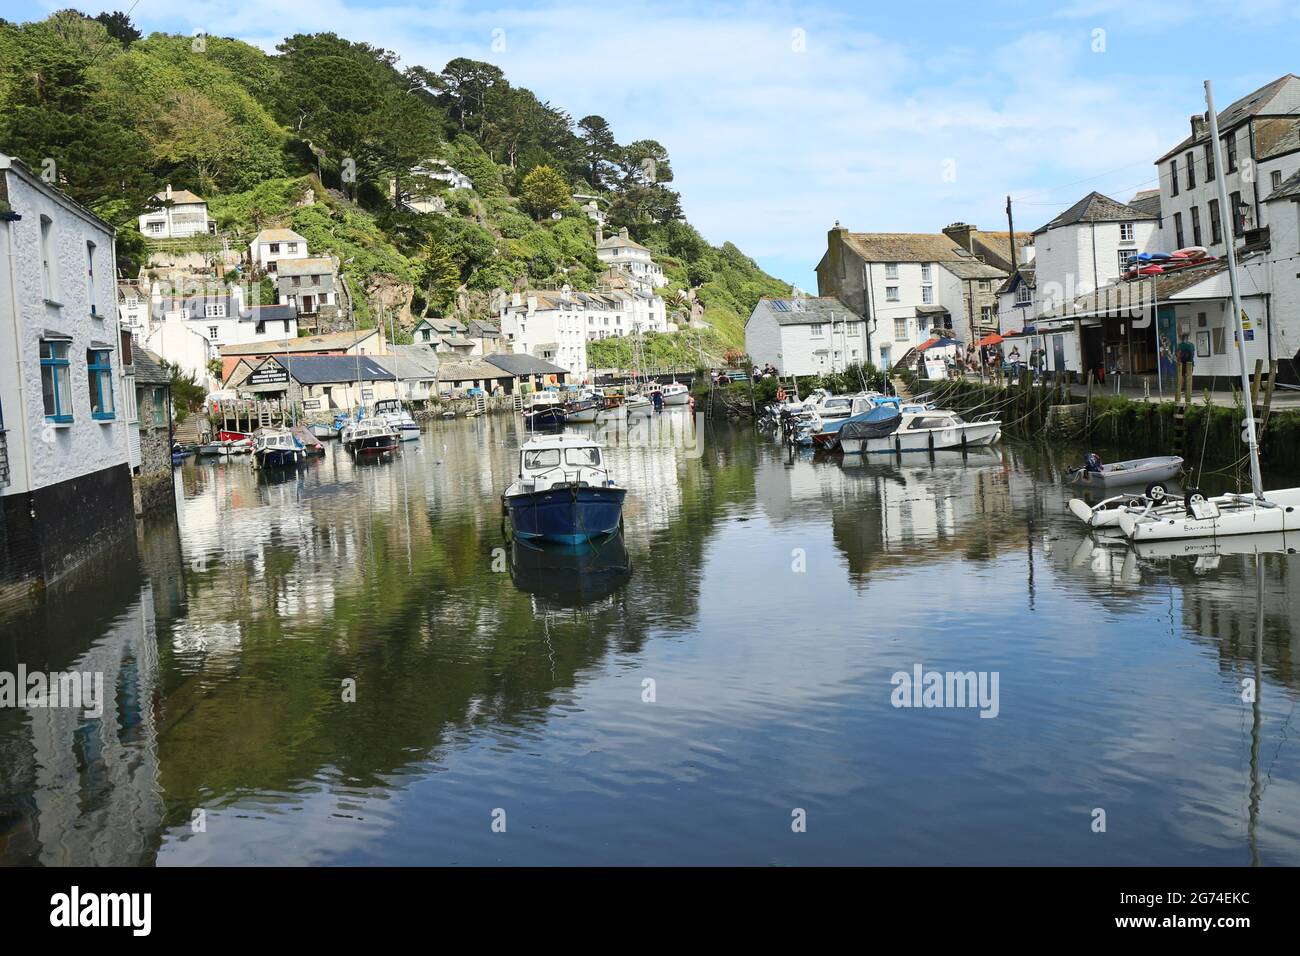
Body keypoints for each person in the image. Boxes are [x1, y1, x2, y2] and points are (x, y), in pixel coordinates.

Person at [1176, 332, 1196, 405]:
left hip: (1182, 363)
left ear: (1182, 338)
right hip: (1190, 363)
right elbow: (1193, 354)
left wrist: (1178, 361)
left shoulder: (1180, 345)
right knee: (1189, 376)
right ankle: (1189, 390)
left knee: (1182, 376)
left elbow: (1178, 355)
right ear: (1187, 338)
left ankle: (1181, 390)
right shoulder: (1192, 345)